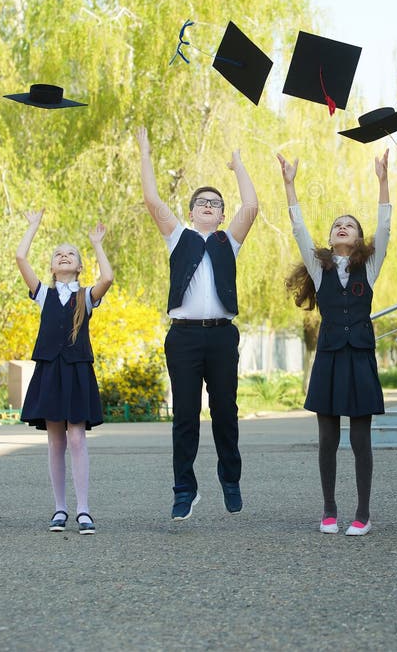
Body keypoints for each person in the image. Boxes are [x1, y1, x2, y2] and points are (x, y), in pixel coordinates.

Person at [136, 127, 258, 521]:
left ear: (222, 215)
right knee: (186, 415)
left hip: (222, 337)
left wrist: (238, 166)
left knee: (225, 410)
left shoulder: (229, 241)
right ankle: (184, 490)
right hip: (184, 338)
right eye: (202, 202)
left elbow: (252, 207)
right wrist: (145, 152)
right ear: (190, 211)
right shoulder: (179, 237)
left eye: (216, 203)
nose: (208, 206)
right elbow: (152, 200)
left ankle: (230, 479)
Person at [277, 149, 391, 537]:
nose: (342, 227)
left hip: (360, 358)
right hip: (328, 358)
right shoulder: (318, 266)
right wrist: (289, 184)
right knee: (327, 439)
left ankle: (363, 513)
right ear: (329, 238)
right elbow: (298, 229)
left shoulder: (369, 268)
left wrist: (382, 180)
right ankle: (329, 510)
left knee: (361, 439)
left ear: (359, 238)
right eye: (337, 225)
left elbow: (386, 226)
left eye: (350, 225)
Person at [17, 210, 113, 534]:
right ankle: (60, 509)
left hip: (76, 372)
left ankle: (83, 510)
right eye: (58, 254)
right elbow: (20, 256)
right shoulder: (43, 294)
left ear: (79, 265)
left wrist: (97, 244)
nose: (64, 256)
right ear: (52, 265)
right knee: (55, 442)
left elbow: (108, 278)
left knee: (77, 439)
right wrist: (33, 227)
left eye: (70, 253)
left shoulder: (86, 296)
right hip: (50, 372)